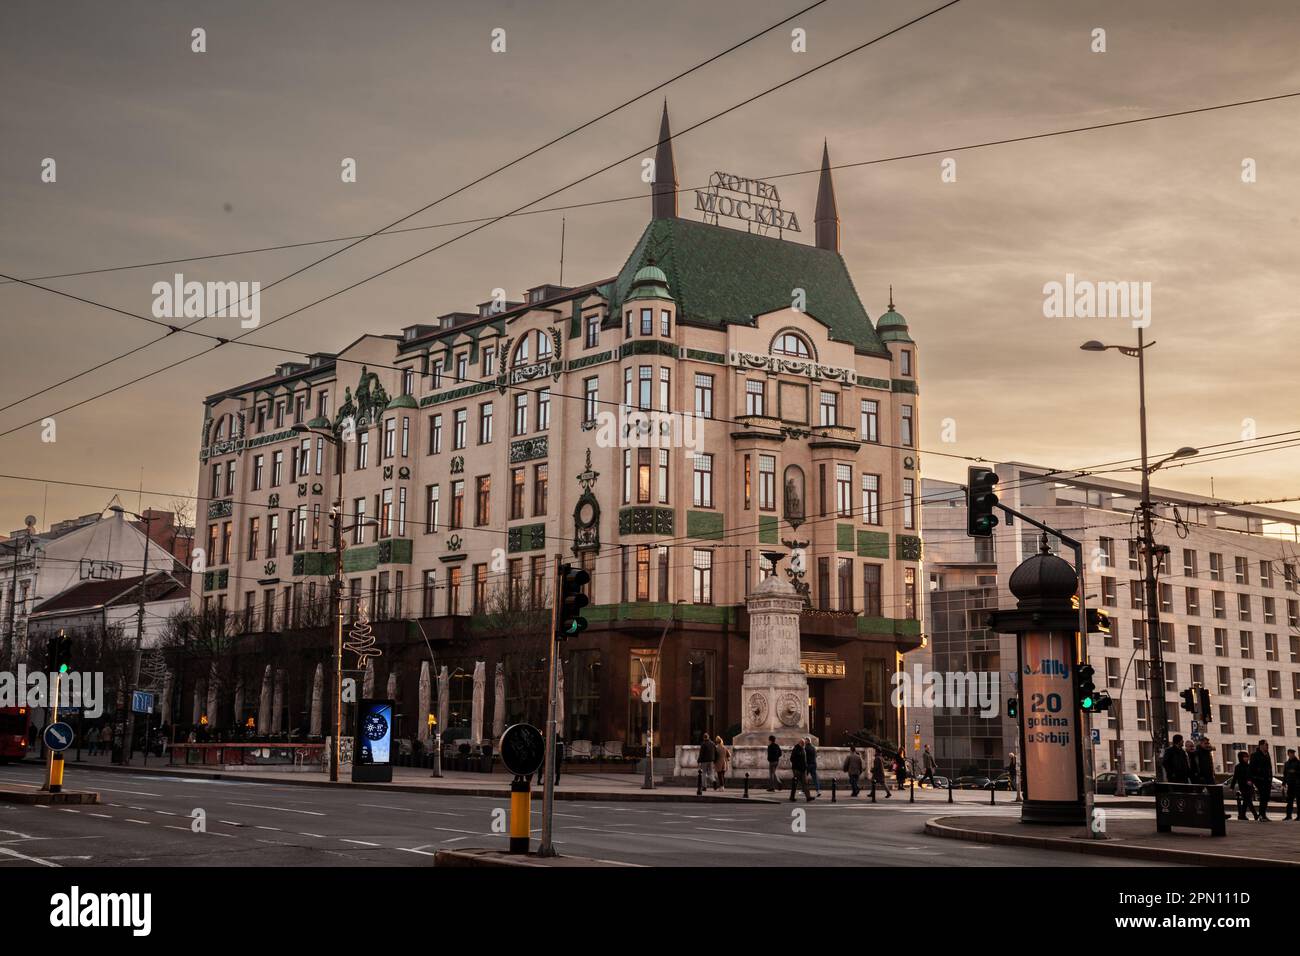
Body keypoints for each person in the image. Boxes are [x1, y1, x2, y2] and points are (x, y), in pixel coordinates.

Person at [1250, 740, 1273, 821]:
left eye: (1267, 744)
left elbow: (1270, 767)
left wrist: (1271, 777)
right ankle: (1261, 815)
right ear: (1261, 745)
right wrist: (1253, 779)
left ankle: (1263, 814)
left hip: (1267, 779)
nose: (1267, 746)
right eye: (1266, 744)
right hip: (1259, 779)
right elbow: (1252, 768)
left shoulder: (1267, 754)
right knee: (1263, 796)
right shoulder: (1255, 755)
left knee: (1266, 797)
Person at [1233, 750, 1259, 821]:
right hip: (1243, 786)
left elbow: (1252, 776)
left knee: (1246, 801)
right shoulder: (1238, 767)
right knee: (1248, 801)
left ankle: (1242, 815)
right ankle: (1255, 815)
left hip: (1250, 786)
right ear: (1241, 758)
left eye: (1247, 757)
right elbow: (1235, 777)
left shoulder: (1249, 766)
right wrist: (1232, 786)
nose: (1246, 758)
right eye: (1244, 757)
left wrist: (1252, 782)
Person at [1282, 748, 1300, 821]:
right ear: (1288, 754)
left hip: (1297, 785)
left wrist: (1295, 771)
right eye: (1290, 753)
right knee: (1289, 801)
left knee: (1298, 801)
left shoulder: (1298, 763)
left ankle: (1299, 816)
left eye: (1293, 753)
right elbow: (1285, 774)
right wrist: (1283, 783)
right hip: (1290, 785)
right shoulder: (1286, 763)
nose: (1292, 755)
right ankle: (1288, 816)